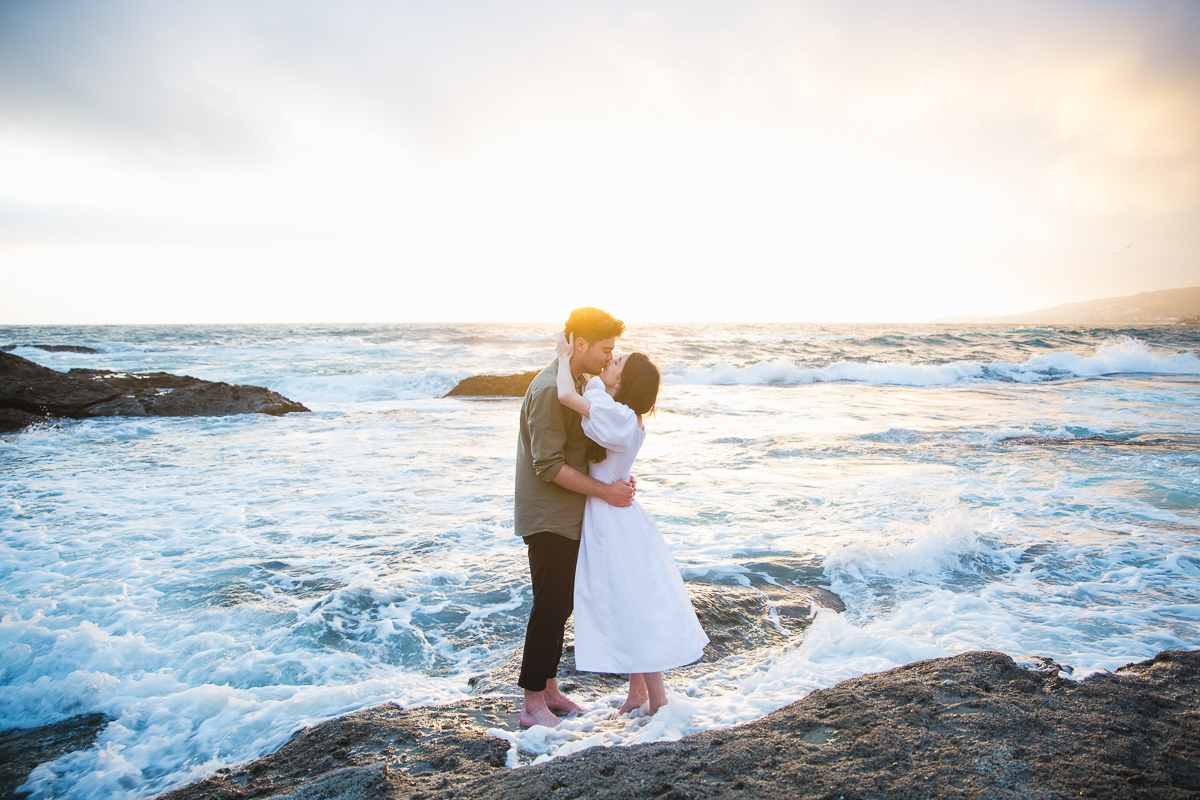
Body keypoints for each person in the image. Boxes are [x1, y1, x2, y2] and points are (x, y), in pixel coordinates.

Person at [554, 334, 709, 716]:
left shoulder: (619, 415)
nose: (611, 361)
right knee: (630, 602)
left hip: (612, 521)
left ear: (626, 382)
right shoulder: (626, 416)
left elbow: (565, 396)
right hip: (618, 515)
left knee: (632, 606)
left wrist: (563, 358)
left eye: (618, 362)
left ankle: (658, 701)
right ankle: (638, 695)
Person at [514, 307, 635, 728]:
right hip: (549, 517)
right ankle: (531, 704)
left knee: (561, 604)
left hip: (568, 516)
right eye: (606, 349)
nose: (609, 357)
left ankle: (548, 690)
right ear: (579, 344)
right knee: (549, 607)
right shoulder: (551, 389)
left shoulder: (576, 382)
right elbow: (548, 465)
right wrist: (607, 492)